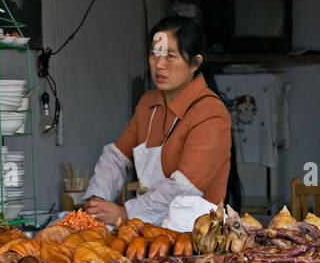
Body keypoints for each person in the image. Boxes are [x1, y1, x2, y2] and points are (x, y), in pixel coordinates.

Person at [83, 17, 233, 230]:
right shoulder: (148, 103)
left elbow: (185, 188)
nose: (159, 65)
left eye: (170, 56)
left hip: (195, 238)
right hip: (147, 230)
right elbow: (116, 157)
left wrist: (125, 213)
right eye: (154, 54)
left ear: (195, 63)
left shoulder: (211, 113)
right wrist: (97, 202)